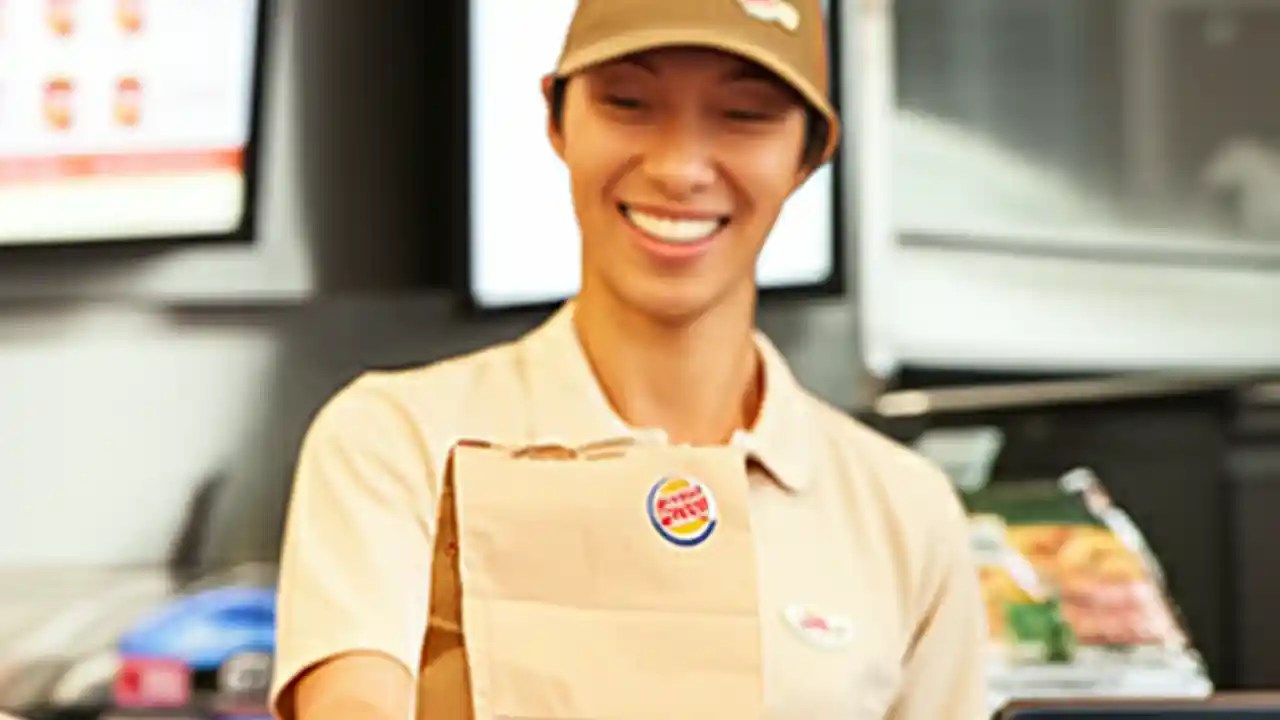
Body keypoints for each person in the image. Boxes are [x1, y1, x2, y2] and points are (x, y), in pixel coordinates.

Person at [269, 0, 988, 718]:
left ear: (809, 153)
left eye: (743, 115)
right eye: (628, 102)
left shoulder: (904, 510)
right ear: (557, 119)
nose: (678, 168)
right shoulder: (396, 442)